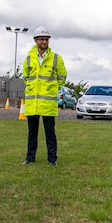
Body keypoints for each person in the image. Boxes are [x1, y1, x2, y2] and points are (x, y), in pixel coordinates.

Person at [22, 26, 67, 166]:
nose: (44, 42)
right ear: (35, 40)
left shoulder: (56, 58)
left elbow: (62, 76)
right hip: (33, 102)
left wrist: (52, 88)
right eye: (41, 39)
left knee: (50, 133)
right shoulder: (29, 58)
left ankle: (52, 159)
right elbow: (26, 77)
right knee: (32, 133)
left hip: (47, 103)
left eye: (46, 39)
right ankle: (30, 158)